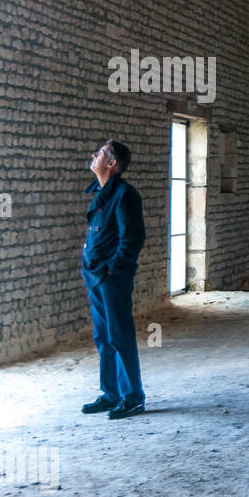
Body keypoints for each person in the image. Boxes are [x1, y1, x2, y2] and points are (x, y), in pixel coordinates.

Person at [80, 140, 146, 419]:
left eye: (102, 153)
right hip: (95, 275)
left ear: (112, 163)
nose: (95, 154)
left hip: (111, 278)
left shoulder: (124, 195)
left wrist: (112, 268)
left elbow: (133, 238)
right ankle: (111, 393)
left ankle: (133, 397)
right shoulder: (100, 192)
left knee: (119, 336)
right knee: (103, 337)